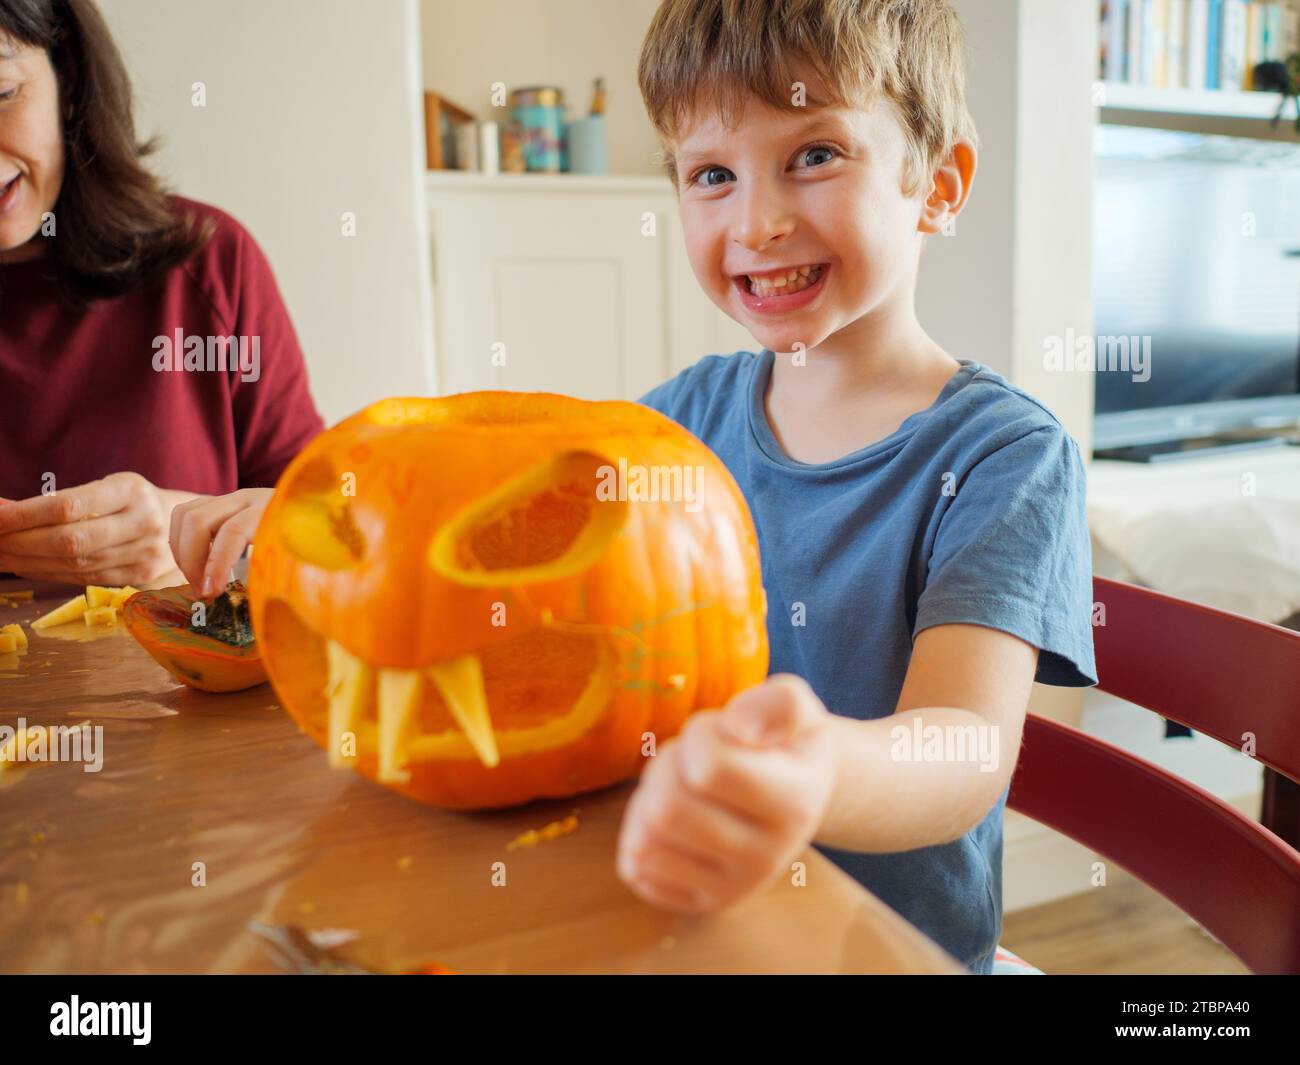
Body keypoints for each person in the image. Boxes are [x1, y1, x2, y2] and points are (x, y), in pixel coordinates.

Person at [168, 0, 1098, 975]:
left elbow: (960, 751)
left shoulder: (1003, 456)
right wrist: (314, 525)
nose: (757, 220)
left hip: (881, 954)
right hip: (672, 931)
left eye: (814, 154)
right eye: (711, 175)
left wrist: (814, 769)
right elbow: (468, 553)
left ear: (937, 184)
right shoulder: (674, 425)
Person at [0, 0, 323, 589]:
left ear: (67, 80)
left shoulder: (211, 263)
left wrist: (192, 539)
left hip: (186, 677)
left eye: (1, 93)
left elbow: (328, 521)